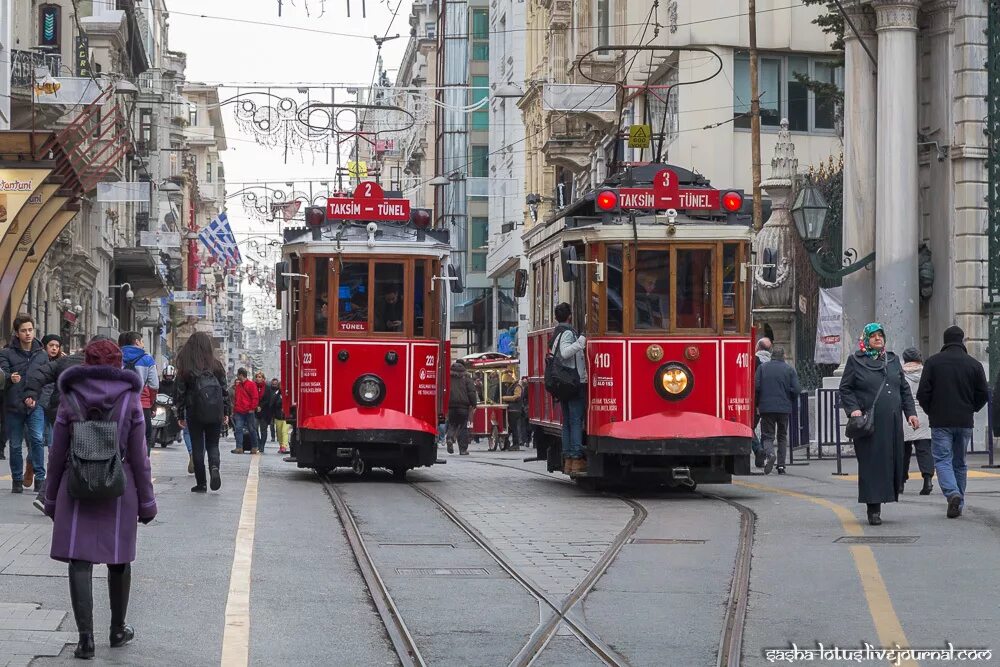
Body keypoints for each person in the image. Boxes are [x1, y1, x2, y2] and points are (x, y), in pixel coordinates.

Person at [42, 338, 157, 660]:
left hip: (76, 485)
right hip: (119, 486)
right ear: (118, 364)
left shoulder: (70, 397)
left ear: (86, 363)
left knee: (79, 559)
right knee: (119, 558)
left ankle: (86, 640)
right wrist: (147, 501)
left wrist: (50, 497)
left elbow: (57, 453)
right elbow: (140, 457)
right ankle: (117, 629)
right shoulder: (130, 399)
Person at [838, 323, 919, 526]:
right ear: (866, 339)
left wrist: (911, 413)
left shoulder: (892, 359)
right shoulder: (856, 360)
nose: (877, 338)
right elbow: (845, 389)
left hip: (892, 422)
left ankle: (889, 493)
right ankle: (873, 508)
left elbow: (904, 389)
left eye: (880, 335)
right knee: (872, 464)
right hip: (869, 423)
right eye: (873, 336)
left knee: (891, 460)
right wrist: (853, 409)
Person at [916, 325, 989, 519]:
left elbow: (922, 393)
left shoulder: (933, 363)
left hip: (940, 421)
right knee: (960, 463)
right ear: (962, 340)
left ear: (945, 341)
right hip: (964, 420)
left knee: (942, 460)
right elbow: (983, 393)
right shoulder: (974, 364)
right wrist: (972, 408)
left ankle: (952, 493)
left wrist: (931, 410)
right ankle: (959, 502)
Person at [175, 332, 231, 493]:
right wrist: (226, 411)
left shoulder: (186, 366)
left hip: (194, 411)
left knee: (197, 446)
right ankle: (214, 467)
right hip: (215, 411)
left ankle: (201, 483)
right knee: (213, 444)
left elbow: (180, 392)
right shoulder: (216, 365)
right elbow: (224, 390)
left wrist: (180, 414)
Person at [0, 314, 48, 494]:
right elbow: (2, 376)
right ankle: (17, 480)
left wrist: (37, 399)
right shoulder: (6, 353)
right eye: (23, 331)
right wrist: (9, 378)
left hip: (35, 404)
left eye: (30, 330)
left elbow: (47, 381)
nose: (28, 334)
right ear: (17, 333)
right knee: (14, 445)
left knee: (37, 440)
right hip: (14, 405)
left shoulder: (42, 355)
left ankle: (40, 479)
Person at [550, 302, 588, 474]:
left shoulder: (557, 332)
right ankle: (576, 458)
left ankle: (568, 459)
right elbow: (565, 353)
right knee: (575, 421)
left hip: (564, 383)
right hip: (573, 383)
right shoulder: (567, 332)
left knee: (567, 422)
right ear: (570, 316)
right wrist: (581, 341)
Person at [754, 347, 801, 475]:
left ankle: (770, 454)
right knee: (782, 436)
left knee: (767, 435)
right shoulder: (789, 369)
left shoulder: (762, 368)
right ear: (783, 356)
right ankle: (781, 466)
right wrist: (789, 398)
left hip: (766, 408)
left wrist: (757, 404)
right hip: (784, 408)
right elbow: (797, 389)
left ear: (772, 356)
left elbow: (756, 387)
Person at [900, 348, 935, 495]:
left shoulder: (900, 374)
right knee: (924, 449)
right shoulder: (926, 372)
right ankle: (927, 480)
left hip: (905, 414)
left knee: (903, 451)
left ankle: (900, 482)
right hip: (923, 414)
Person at [118, 332, 159, 455]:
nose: (143, 344)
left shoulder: (116, 357)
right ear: (137, 341)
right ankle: (143, 462)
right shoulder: (147, 359)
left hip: (121, 403)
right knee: (145, 436)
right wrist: (152, 403)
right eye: (142, 341)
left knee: (122, 436)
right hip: (142, 404)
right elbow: (154, 385)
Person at [446, 361, 478, 455]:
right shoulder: (467, 378)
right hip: (463, 407)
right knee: (463, 426)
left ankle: (450, 438)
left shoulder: (448, 378)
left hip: (451, 406)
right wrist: (474, 404)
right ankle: (463, 449)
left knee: (452, 424)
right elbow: (471, 392)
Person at [752, 337, 772, 469]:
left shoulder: (753, 361)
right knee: (768, 431)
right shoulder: (774, 362)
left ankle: (758, 449)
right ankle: (766, 454)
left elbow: (756, 386)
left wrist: (757, 404)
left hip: (756, 403)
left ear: (757, 347)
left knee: (748, 428)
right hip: (772, 403)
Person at [231, 368, 260, 455]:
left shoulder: (251, 384)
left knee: (251, 429)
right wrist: (235, 410)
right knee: (238, 429)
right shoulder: (238, 386)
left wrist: (252, 408)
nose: (237, 376)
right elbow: (236, 399)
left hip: (248, 411)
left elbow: (255, 397)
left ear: (241, 375)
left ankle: (254, 447)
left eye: (238, 375)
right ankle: (239, 447)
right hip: (239, 411)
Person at [503, 376, 529, 451]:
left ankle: (516, 444)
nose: (505, 384)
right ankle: (508, 443)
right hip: (512, 409)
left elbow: (517, 397)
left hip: (515, 410)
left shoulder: (517, 387)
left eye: (506, 382)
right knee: (511, 427)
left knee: (514, 428)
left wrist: (505, 398)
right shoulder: (512, 387)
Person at [254, 371, 275, 451]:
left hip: (264, 412)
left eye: (259, 377)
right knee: (254, 427)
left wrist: (261, 406)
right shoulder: (253, 386)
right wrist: (256, 406)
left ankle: (262, 445)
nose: (258, 378)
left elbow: (269, 400)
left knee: (263, 429)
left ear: (263, 378)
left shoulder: (267, 388)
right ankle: (259, 442)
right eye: (257, 377)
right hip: (255, 411)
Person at [271, 379, 291, 454]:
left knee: (284, 431)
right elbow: (272, 403)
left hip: (286, 417)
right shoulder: (277, 394)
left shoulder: (288, 394)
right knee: (279, 433)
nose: (282, 387)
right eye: (281, 385)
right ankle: (281, 445)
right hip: (278, 416)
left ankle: (284, 446)